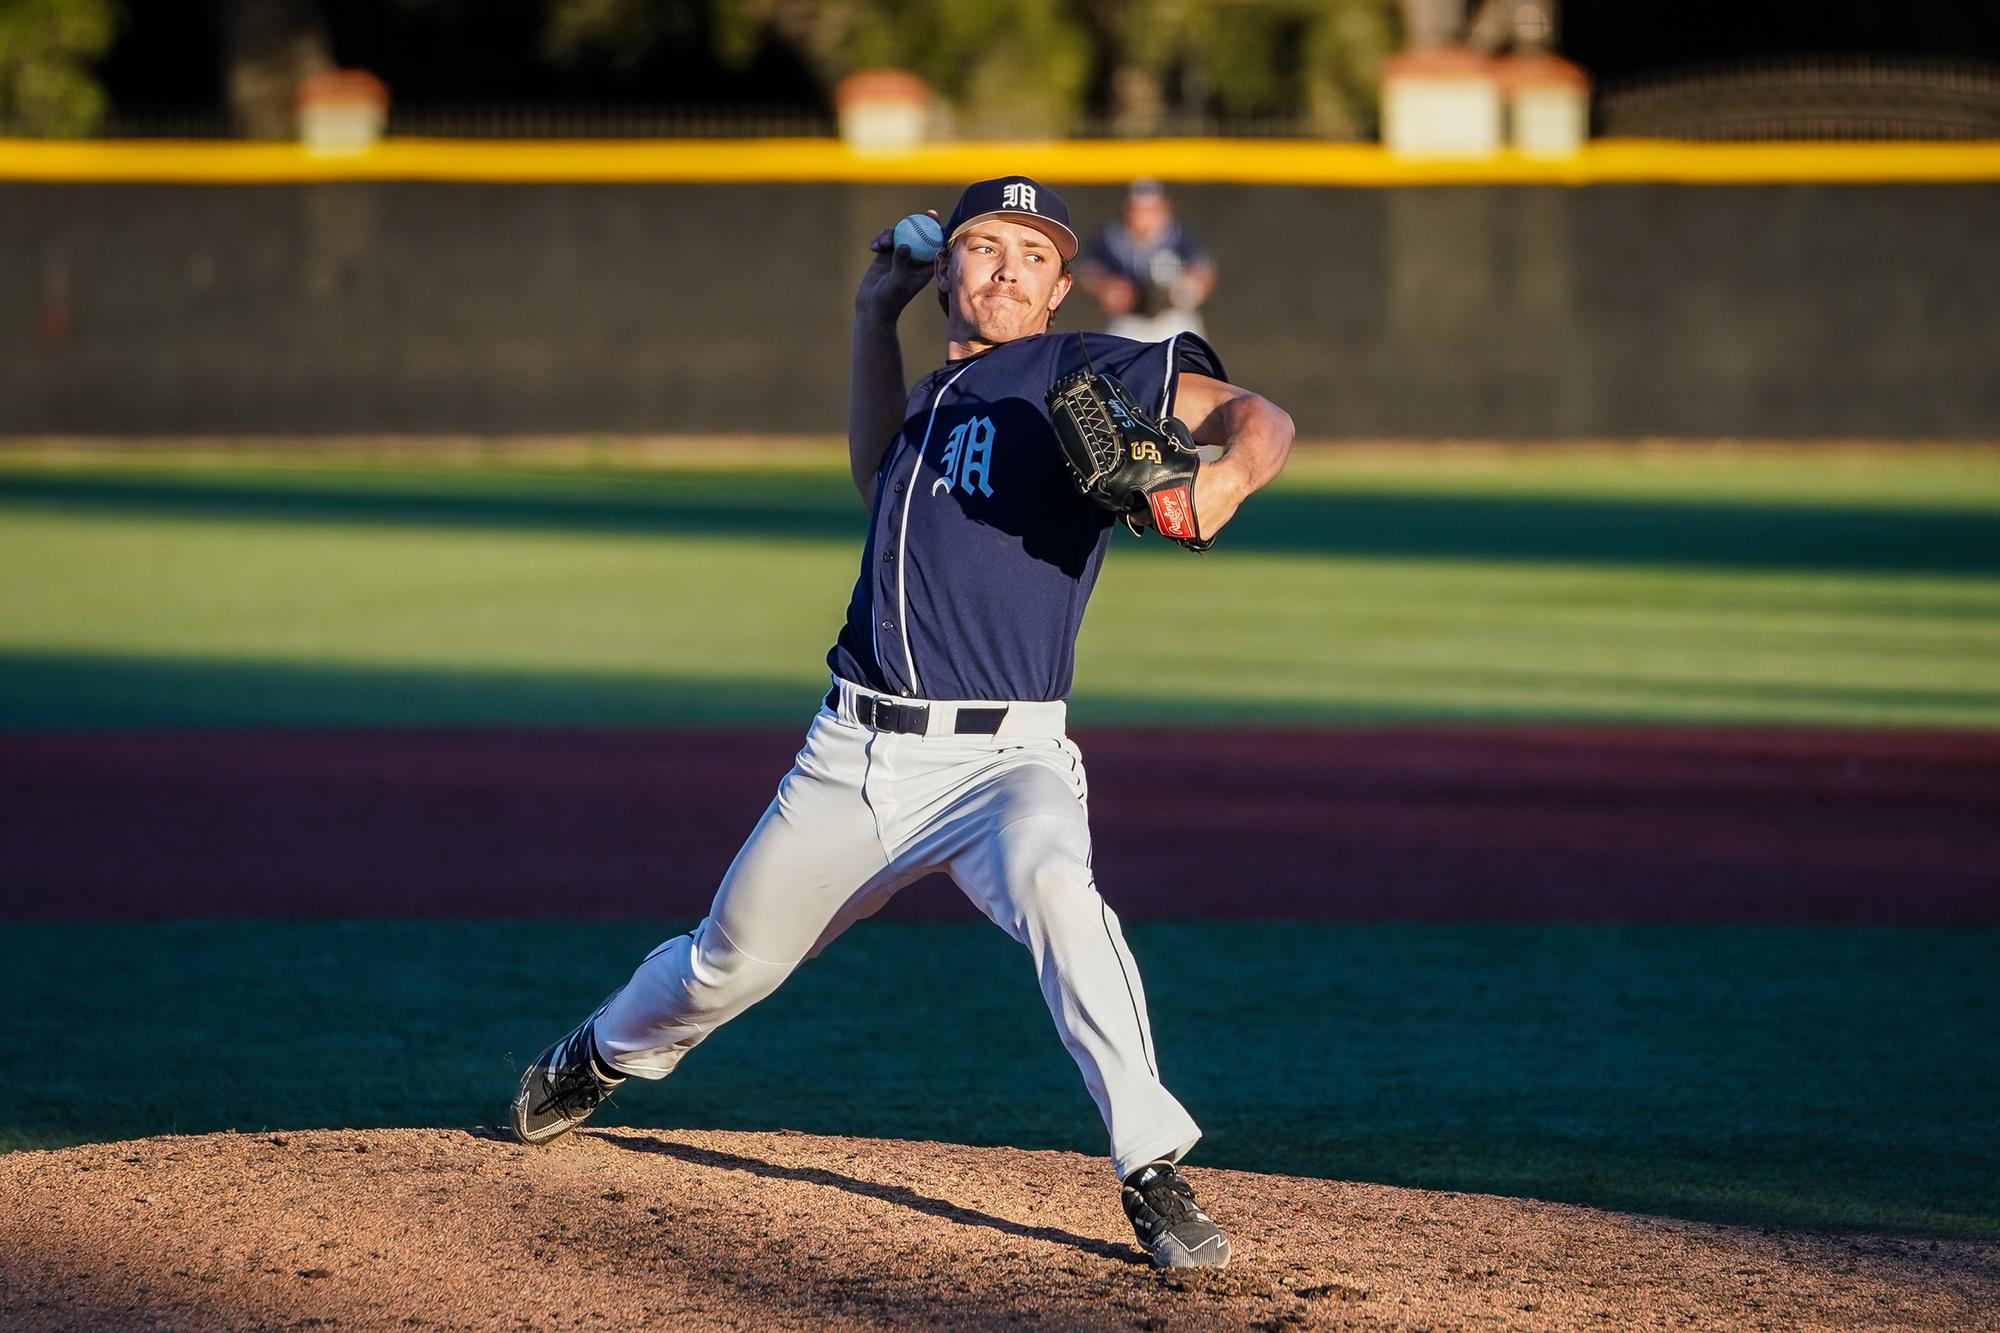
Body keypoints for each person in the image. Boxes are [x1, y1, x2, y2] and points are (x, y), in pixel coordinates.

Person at [510, 175, 1294, 1270]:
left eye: (1032, 255)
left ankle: (1150, 1168)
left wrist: (1224, 481)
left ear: (1062, 284)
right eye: (983, 247)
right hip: (854, 752)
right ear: (947, 273)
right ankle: (595, 1054)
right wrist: (869, 314)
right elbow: (874, 475)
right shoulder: (930, 394)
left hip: (1008, 762)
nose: (1006, 268)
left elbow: (1262, 416)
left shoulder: (1084, 366)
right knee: (721, 966)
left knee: (1059, 892)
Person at [1077, 178, 1216, 341]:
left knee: (1188, 361)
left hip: (1173, 319)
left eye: (1151, 210)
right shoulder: (1111, 239)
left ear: (1165, 209)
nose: (1144, 217)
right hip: (1130, 320)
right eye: (1138, 210)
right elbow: (1087, 272)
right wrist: (1105, 287)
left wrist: (1193, 286)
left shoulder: (1180, 236)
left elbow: (1204, 271)